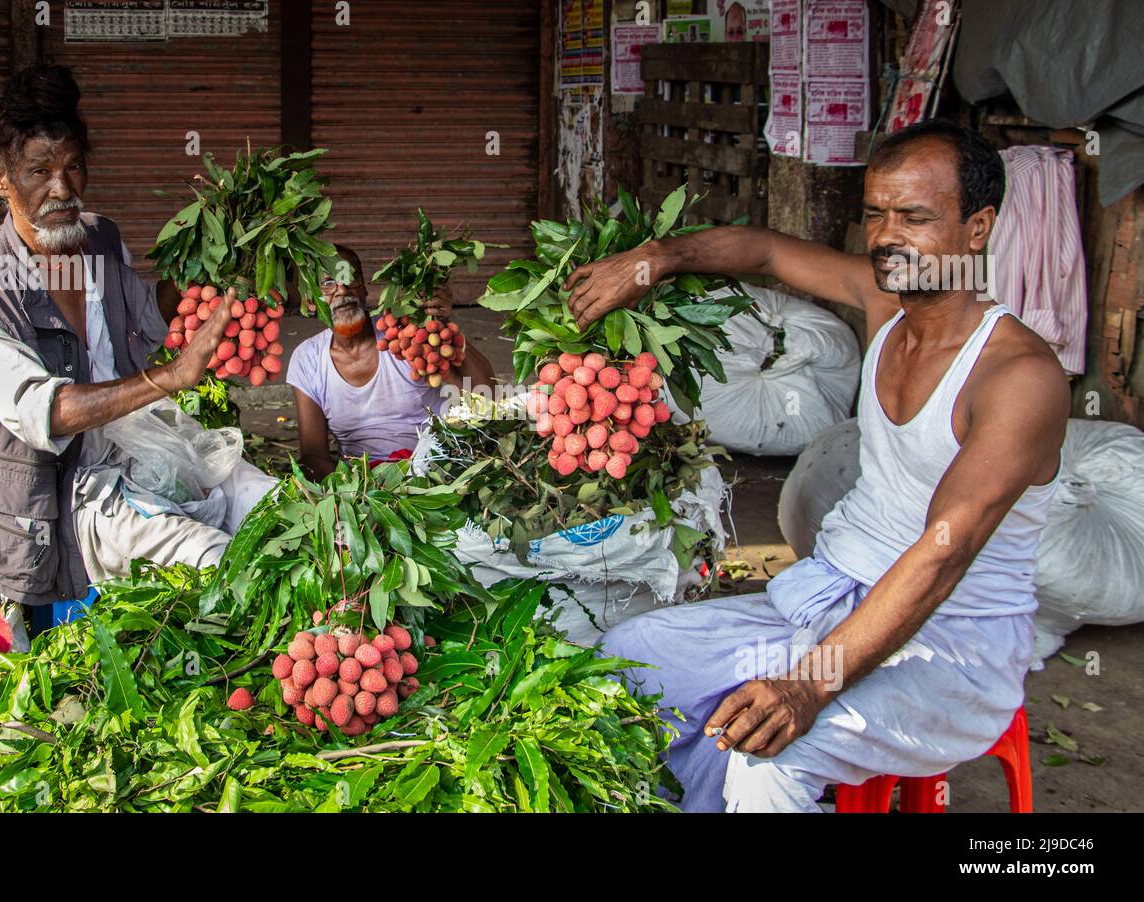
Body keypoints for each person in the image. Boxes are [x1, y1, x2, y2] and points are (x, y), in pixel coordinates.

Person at [564, 119, 1069, 811]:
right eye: (876, 214)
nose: (888, 237)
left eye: (915, 217)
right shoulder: (885, 302)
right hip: (831, 598)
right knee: (631, 656)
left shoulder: (1019, 377)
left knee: (769, 755)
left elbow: (941, 553)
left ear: (976, 228)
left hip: (951, 649)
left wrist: (810, 682)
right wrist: (655, 257)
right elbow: (768, 252)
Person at [0, 64, 273, 631]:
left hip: (138, 447)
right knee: (219, 563)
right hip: (64, 497)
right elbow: (46, 412)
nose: (62, 190)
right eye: (39, 172)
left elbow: (147, 322)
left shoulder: (100, 240)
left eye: (73, 167)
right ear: (0, 178)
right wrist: (169, 378)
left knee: (274, 508)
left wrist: (219, 257)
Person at [286, 244, 494, 479]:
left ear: (364, 288)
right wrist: (354, 491)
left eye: (350, 278)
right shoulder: (308, 359)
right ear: (310, 300)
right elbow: (313, 455)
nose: (342, 290)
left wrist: (444, 326)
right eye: (327, 283)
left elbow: (488, 397)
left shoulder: (404, 335)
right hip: (364, 483)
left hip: (435, 470)